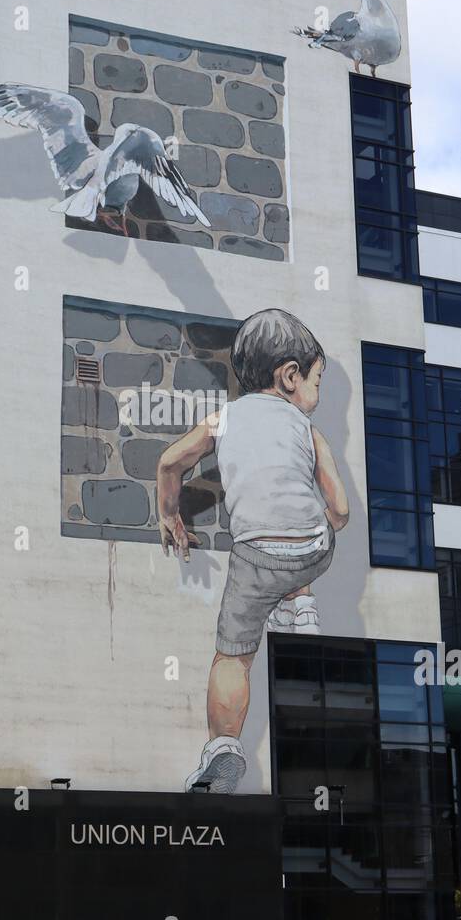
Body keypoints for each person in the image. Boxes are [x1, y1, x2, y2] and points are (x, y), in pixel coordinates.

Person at [156, 309, 349, 794]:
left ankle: (223, 747)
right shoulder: (309, 431)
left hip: (254, 561)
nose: (317, 394)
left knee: (233, 657)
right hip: (310, 553)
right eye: (317, 381)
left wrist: (169, 517)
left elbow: (169, 462)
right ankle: (298, 602)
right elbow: (341, 509)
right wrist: (325, 528)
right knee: (312, 528)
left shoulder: (223, 420)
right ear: (290, 376)